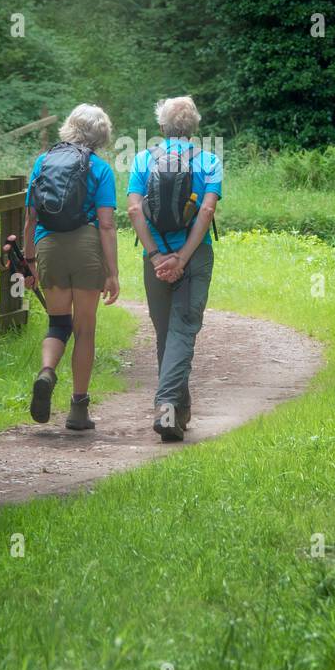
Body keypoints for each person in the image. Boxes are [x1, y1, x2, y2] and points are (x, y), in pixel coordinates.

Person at [127, 96, 222, 442]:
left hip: (154, 257)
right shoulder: (209, 161)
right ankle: (168, 408)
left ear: (162, 127)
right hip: (194, 257)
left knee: (167, 332)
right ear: (194, 126)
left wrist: (156, 256)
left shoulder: (142, 159)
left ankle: (178, 412)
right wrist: (182, 258)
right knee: (182, 330)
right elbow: (207, 212)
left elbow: (135, 211)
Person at [22, 104, 119, 430]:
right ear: (101, 135)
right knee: (84, 330)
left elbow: (30, 218)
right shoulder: (100, 169)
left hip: (48, 246)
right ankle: (78, 409)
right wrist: (112, 272)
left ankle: (47, 372)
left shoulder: (43, 162)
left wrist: (30, 261)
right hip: (87, 248)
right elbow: (106, 225)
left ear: (69, 127)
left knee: (58, 323)